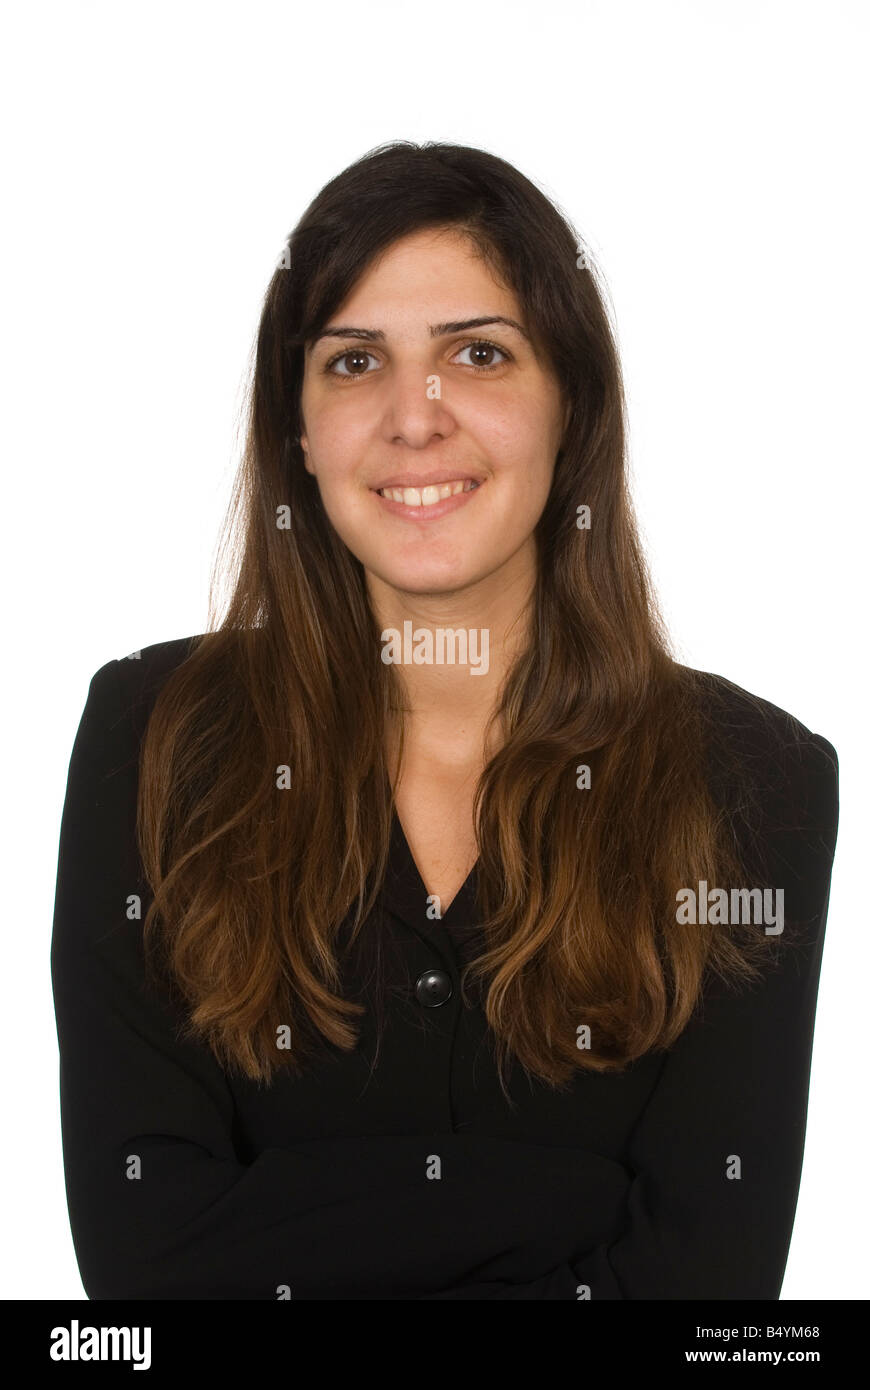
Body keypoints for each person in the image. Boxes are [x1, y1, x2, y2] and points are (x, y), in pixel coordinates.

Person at [51, 141, 839, 1300]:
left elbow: (708, 1292)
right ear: (299, 430)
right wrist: (565, 1203)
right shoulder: (152, 738)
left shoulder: (756, 780)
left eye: (478, 353)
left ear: (571, 403)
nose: (414, 419)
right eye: (355, 360)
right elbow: (146, 1268)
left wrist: (292, 1213)